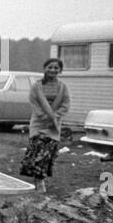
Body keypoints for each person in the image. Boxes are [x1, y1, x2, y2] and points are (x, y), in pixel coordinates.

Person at [19, 57, 70, 192]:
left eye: (56, 68)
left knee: (47, 154)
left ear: (60, 70)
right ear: (45, 69)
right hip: (38, 124)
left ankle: (40, 180)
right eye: (50, 67)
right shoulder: (37, 86)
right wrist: (44, 117)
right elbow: (34, 102)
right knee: (37, 153)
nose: (53, 70)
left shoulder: (63, 87)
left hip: (53, 127)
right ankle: (38, 181)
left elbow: (65, 104)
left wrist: (55, 117)